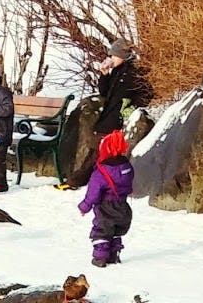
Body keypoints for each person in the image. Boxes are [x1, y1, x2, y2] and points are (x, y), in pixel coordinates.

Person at [58, 37, 153, 190]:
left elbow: (146, 94)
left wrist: (130, 109)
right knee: (97, 149)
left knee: (101, 150)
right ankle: (81, 180)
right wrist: (104, 75)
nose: (111, 58)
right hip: (109, 116)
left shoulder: (134, 72)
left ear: (121, 55)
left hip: (118, 117)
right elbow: (104, 92)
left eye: (113, 55)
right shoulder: (117, 71)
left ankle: (78, 181)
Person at [77, 130, 134, 267]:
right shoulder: (127, 167)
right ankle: (114, 255)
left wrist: (84, 206)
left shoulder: (101, 172)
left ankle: (100, 258)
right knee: (115, 231)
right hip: (123, 205)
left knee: (101, 232)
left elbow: (93, 193)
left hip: (105, 207)